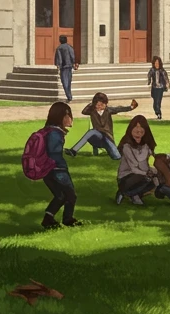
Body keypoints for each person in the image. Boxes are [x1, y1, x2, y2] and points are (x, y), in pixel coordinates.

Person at [40, 101, 83, 229]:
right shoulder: (54, 133)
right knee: (71, 195)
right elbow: (53, 153)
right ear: (62, 117)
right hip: (57, 170)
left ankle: (48, 219)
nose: (71, 119)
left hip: (47, 170)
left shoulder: (49, 131)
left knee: (60, 196)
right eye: (69, 115)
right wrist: (59, 165)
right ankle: (68, 219)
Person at [67, 92, 137, 159]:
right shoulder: (92, 111)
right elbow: (84, 111)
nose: (100, 107)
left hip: (107, 137)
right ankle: (74, 150)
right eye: (98, 105)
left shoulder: (108, 110)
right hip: (96, 137)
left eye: (102, 105)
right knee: (92, 132)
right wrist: (92, 104)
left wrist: (131, 107)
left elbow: (120, 109)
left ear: (105, 104)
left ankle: (120, 149)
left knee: (116, 156)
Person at [116, 114, 159, 206]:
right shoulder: (127, 146)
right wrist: (148, 173)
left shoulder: (146, 145)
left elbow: (151, 162)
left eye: (141, 129)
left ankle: (134, 194)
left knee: (156, 180)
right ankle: (124, 192)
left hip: (143, 174)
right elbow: (134, 167)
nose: (139, 132)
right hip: (127, 178)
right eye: (136, 127)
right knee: (146, 178)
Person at [54, 34, 76, 101]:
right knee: (68, 82)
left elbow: (59, 58)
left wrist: (58, 65)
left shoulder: (59, 48)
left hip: (63, 67)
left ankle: (69, 96)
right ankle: (69, 96)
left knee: (65, 82)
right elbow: (72, 56)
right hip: (69, 66)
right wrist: (73, 63)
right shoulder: (70, 47)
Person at [147, 56, 169, 120]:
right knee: (155, 102)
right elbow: (149, 75)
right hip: (154, 88)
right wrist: (149, 81)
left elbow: (165, 77)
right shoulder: (152, 70)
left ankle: (159, 113)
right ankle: (157, 112)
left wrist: (167, 84)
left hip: (160, 88)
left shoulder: (162, 70)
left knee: (158, 101)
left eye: (158, 63)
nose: (157, 64)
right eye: (155, 63)